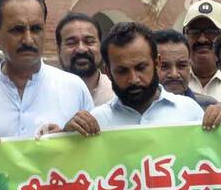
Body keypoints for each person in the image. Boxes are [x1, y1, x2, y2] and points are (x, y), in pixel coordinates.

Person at [0, 0, 92, 145]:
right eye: (17, 30)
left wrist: (67, 138)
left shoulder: (74, 89)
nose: (28, 40)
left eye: (36, 29)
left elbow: (94, 154)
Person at [60, 22, 205, 134]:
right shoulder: (96, 122)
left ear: (157, 63)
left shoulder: (190, 112)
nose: (134, 79)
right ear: (109, 73)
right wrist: (66, 139)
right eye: (122, 71)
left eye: (141, 68)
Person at [56, 12, 114, 105]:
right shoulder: (43, 96)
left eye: (89, 41)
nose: (81, 49)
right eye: (71, 42)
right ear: (59, 50)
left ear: (101, 47)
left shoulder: (118, 95)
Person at [181, 0, 221, 102]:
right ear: (185, 37)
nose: (202, 39)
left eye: (211, 32)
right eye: (194, 32)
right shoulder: (174, 79)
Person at [154, 29, 217, 108]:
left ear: (189, 65)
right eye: (164, 66)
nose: (174, 74)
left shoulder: (207, 107)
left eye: (181, 65)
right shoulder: (137, 109)